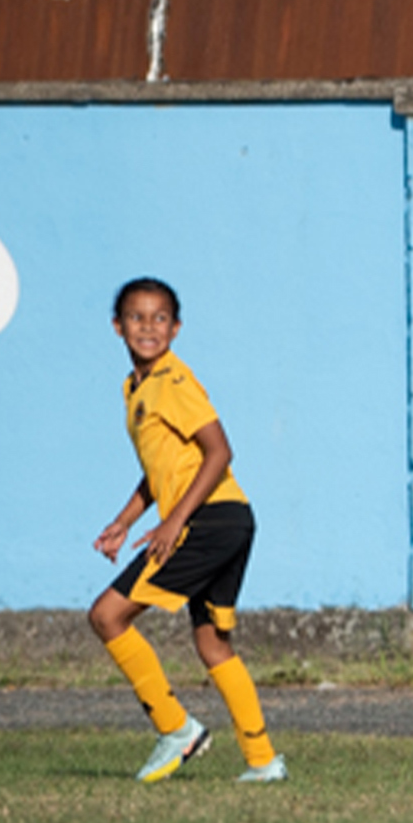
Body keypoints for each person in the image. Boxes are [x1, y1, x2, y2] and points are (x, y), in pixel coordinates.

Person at [86, 278, 285, 783]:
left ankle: (177, 730)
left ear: (175, 329)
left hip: (212, 520)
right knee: (212, 644)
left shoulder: (173, 382)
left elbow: (219, 452)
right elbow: (162, 470)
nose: (148, 327)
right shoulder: (137, 388)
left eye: (159, 319)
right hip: (231, 520)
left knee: (108, 615)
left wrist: (174, 522)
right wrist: (125, 520)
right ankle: (263, 761)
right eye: (136, 317)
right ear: (117, 327)